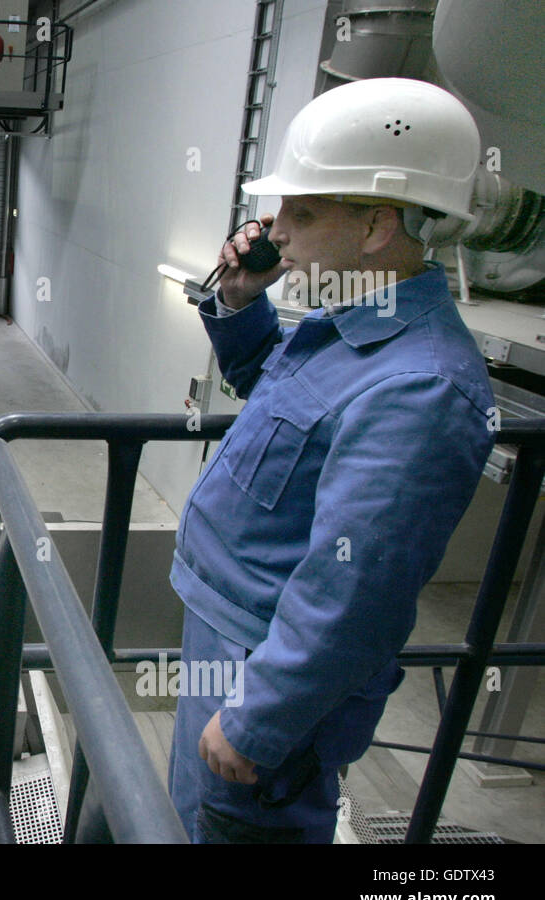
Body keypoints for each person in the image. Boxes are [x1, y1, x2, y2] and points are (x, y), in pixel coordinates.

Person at [167, 78, 496, 843]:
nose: (274, 231)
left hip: (264, 666)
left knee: (227, 826)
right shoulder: (348, 323)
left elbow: (357, 590)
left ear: (379, 223)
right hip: (226, 628)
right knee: (191, 816)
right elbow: (276, 400)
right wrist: (244, 300)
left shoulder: (420, 388)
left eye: (303, 212)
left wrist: (261, 716)